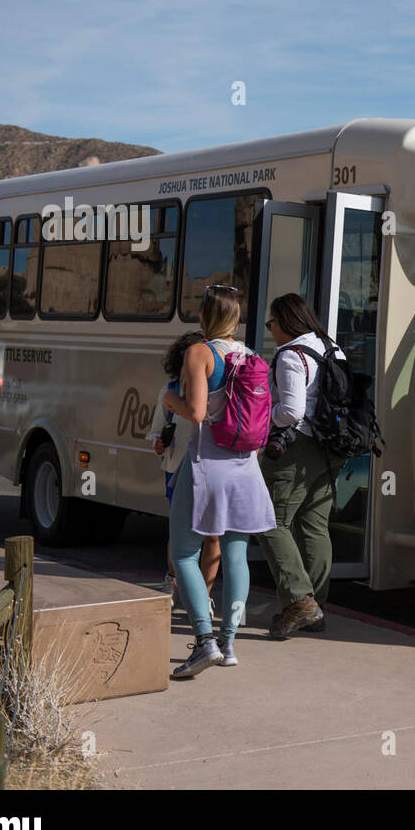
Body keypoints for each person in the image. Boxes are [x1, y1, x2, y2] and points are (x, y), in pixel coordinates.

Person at [163, 285, 276, 677]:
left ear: (204, 315)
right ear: (236, 316)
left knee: (183, 555)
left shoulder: (199, 352)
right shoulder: (251, 355)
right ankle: (228, 642)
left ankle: (204, 642)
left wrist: (168, 399)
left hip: (205, 468)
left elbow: (195, 412)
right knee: (235, 556)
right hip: (246, 470)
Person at [257, 292, 347, 639]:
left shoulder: (291, 356)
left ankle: (299, 601)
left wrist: (268, 416)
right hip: (330, 448)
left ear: (286, 322)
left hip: (297, 448)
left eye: (272, 323)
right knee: (314, 525)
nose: (270, 330)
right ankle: (316, 608)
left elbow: (292, 411)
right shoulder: (330, 347)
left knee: (269, 519)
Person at [146, 331, 222, 608]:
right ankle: (171, 581)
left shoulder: (219, 390)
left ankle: (203, 597)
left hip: (210, 469)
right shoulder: (171, 391)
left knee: (212, 535)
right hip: (177, 467)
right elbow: (156, 431)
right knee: (179, 533)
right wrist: (157, 442)